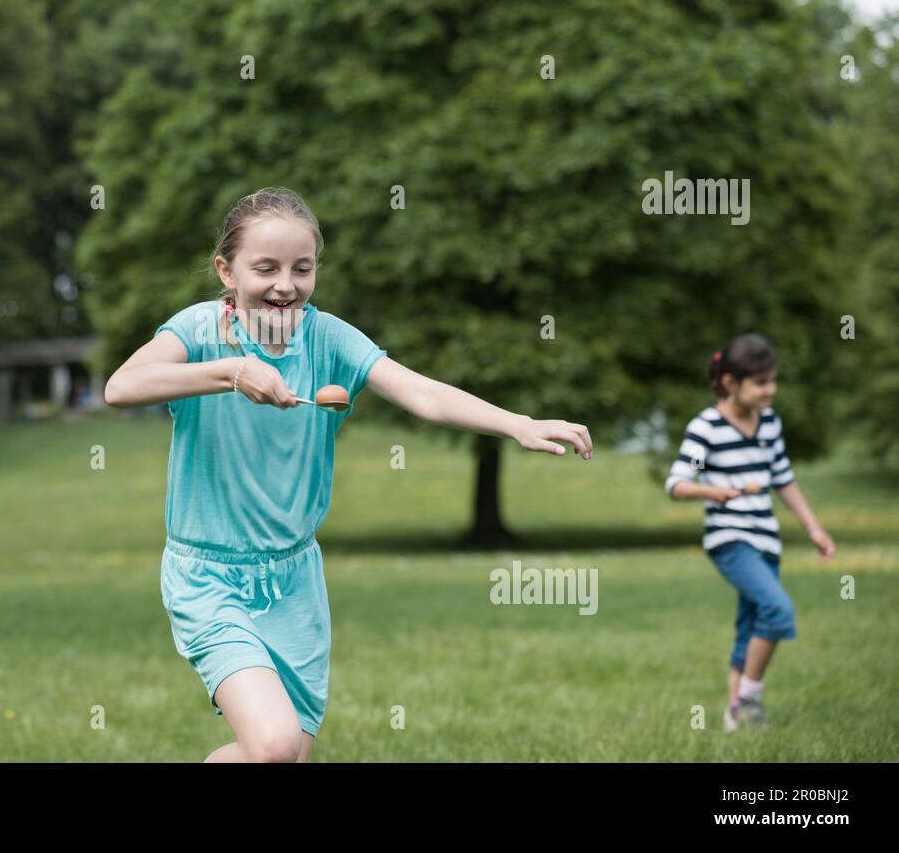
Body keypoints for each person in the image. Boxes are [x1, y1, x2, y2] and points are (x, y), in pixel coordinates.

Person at [105, 187, 592, 762]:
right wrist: (233, 370)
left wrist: (516, 423)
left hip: (295, 582)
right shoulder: (198, 331)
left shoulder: (327, 337)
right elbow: (121, 388)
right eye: (265, 268)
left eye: (302, 268)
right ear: (226, 271)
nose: (285, 284)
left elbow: (419, 391)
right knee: (274, 745)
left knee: (283, 757)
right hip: (209, 579)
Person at [665, 333, 835, 733]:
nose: (770, 390)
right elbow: (676, 484)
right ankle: (750, 699)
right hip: (730, 541)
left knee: (752, 624)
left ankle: (734, 714)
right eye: (760, 382)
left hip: (767, 539)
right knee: (777, 611)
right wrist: (712, 490)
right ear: (730, 383)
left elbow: (784, 480)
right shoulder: (705, 429)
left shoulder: (770, 423)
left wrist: (813, 527)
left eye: (773, 380)